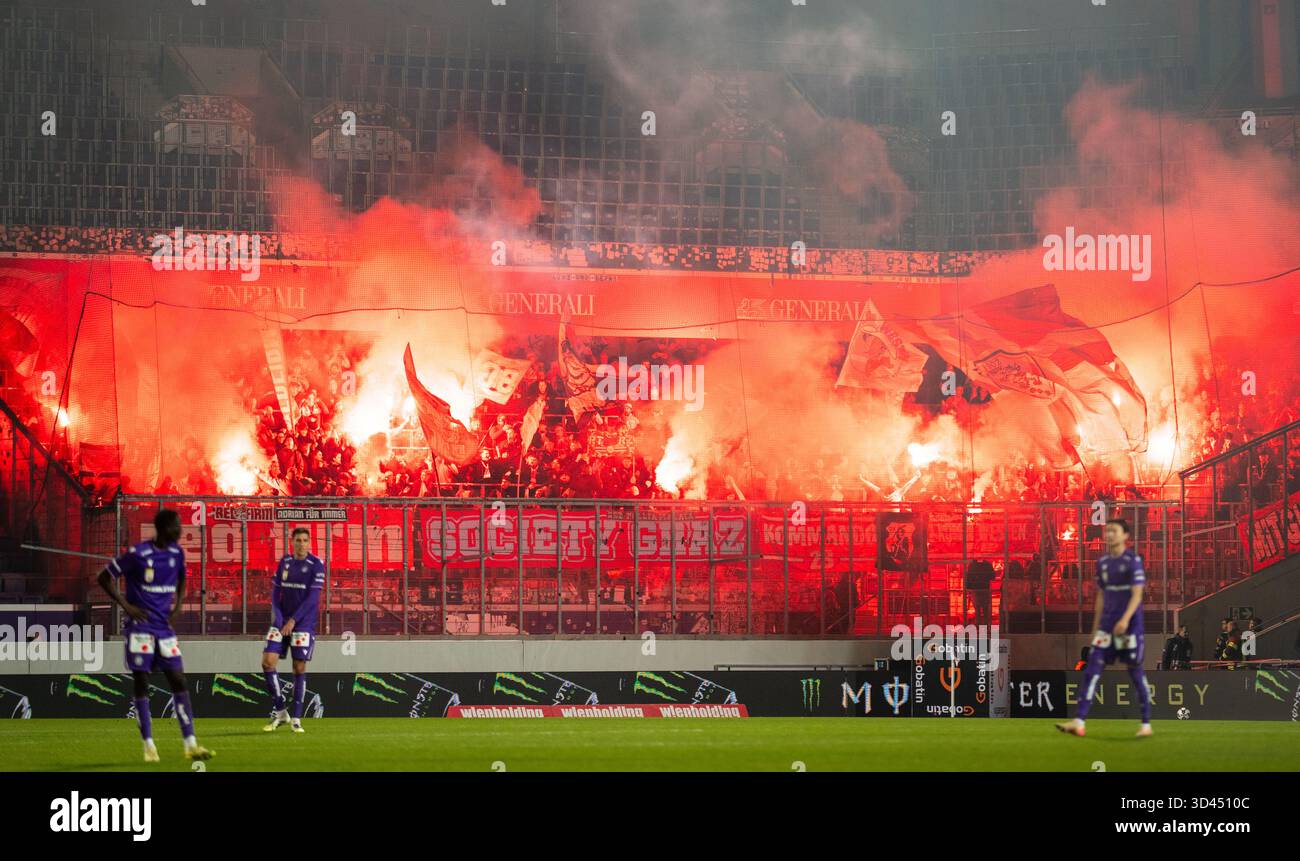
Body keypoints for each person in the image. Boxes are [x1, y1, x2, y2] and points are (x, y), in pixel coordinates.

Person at [97, 508, 215, 763]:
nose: (180, 530)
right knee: (142, 681)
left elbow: (182, 579)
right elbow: (104, 577)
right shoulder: (138, 554)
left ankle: (190, 744)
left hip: (164, 628)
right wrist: (126, 606)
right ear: (163, 528)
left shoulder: (176, 553)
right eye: (176, 526)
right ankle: (149, 744)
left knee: (178, 679)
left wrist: (179, 605)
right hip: (140, 628)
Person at [1056, 518, 1152, 738]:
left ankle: (1146, 723)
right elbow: (1101, 596)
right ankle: (1079, 721)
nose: (1109, 535)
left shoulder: (1132, 561)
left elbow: (1137, 594)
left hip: (1128, 626)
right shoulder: (1103, 563)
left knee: (1135, 671)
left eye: (1114, 531)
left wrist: (1126, 620)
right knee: (1092, 669)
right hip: (1107, 625)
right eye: (1108, 531)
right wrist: (1095, 626)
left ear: (1125, 535)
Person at [262, 527, 325, 733]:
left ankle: (296, 717)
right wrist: (280, 619)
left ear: (310, 543)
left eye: (305, 540)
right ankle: (281, 712)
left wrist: (293, 621)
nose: (301, 544)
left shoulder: (316, 565)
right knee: (267, 662)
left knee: (298, 668)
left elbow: (313, 599)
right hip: (281, 621)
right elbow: (275, 592)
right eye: (297, 540)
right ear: (292, 542)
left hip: (303, 623)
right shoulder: (285, 562)